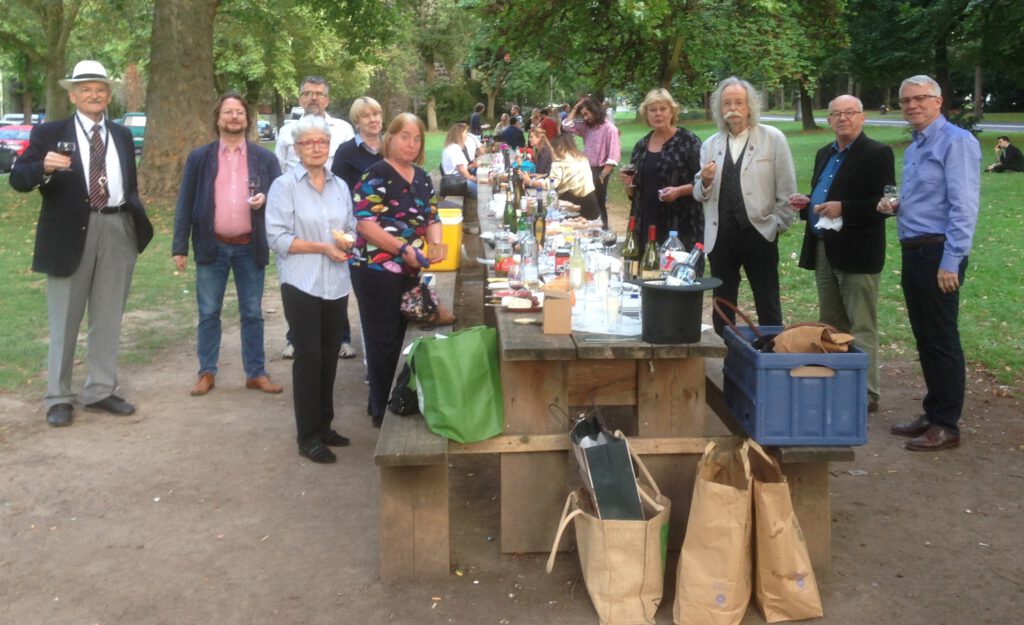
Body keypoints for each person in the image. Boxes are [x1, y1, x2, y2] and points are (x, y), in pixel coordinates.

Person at [9, 60, 154, 427]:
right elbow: (19, 179)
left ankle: (100, 390)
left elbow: (129, 184)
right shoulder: (49, 133)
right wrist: (43, 166)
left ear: (109, 96)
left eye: (101, 89)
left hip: (118, 227)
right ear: (73, 95)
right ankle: (59, 396)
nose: (94, 94)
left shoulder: (120, 135)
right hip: (69, 234)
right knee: (65, 320)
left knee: (108, 317)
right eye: (86, 89)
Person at [882, 75, 980, 451]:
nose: (913, 105)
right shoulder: (917, 146)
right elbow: (926, 200)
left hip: (940, 254)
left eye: (921, 98)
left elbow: (963, 207)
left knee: (941, 338)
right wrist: (895, 207)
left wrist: (951, 261)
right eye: (907, 100)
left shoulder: (957, 143)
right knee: (925, 337)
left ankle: (947, 425)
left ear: (939, 102)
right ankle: (933, 410)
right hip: (915, 250)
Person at [172, 93, 284, 397]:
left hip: (250, 246)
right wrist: (179, 246)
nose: (234, 117)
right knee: (209, 312)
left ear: (247, 120)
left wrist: (267, 199)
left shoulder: (265, 159)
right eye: (228, 112)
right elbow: (185, 203)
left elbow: (285, 199)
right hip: (212, 246)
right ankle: (206, 372)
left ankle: (256, 373)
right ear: (218, 119)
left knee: (252, 313)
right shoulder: (200, 158)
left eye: (239, 113)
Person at [791, 95, 894, 413]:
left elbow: (885, 204)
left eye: (850, 113)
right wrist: (807, 203)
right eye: (836, 114)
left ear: (862, 117)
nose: (843, 119)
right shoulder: (825, 153)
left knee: (861, 324)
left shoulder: (877, 153)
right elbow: (827, 195)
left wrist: (844, 209)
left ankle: (866, 393)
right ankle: (837, 382)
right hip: (825, 247)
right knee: (831, 324)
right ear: (829, 120)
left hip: (858, 252)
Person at [266, 116, 357, 464]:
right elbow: (276, 237)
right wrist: (323, 247)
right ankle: (307, 436)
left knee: (329, 353)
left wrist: (348, 241)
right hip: (301, 281)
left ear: (329, 146)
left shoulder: (339, 186)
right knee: (308, 356)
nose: (316, 148)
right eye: (308, 143)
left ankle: (325, 425)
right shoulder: (284, 186)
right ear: (296, 148)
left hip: (334, 282)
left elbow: (349, 225)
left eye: (322, 142)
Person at [350, 113, 447, 428]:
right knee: (384, 339)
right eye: (404, 136)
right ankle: (380, 411)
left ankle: (388, 399)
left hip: (409, 268)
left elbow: (432, 216)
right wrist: (404, 249)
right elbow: (365, 224)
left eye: (416, 138)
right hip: (375, 269)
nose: (411, 143)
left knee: (402, 332)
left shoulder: (420, 176)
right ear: (389, 138)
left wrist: (436, 243)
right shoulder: (374, 175)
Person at [694, 76, 796, 336]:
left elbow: (787, 188)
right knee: (722, 301)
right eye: (727, 103)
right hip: (721, 235)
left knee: (767, 300)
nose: (733, 108)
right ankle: (725, 355)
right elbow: (699, 194)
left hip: (759, 232)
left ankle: (771, 356)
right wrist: (704, 182)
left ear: (750, 106)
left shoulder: (772, 138)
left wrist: (777, 225)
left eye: (739, 102)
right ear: (720, 108)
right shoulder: (710, 145)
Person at [276, 76, 356, 360]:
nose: (313, 98)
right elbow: (280, 169)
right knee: (299, 280)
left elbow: (348, 166)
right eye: (307, 93)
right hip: (299, 205)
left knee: (335, 280)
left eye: (319, 94)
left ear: (327, 99)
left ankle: (342, 338)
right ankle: (294, 338)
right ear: (299, 98)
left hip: (334, 199)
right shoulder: (287, 132)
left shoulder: (343, 129)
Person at [620, 88, 702, 254]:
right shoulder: (641, 146)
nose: (658, 114)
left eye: (663, 109)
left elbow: (705, 183)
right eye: (652, 110)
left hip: (679, 223)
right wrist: (628, 184)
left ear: (672, 112)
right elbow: (633, 193)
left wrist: (679, 191)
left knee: (675, 273)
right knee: (645, 272)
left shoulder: (688, 141)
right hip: (646, 221)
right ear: (647, 115)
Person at [562, 95, 621, 228]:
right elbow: (566, 125)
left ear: (595, 110)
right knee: (586, 202)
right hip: (586, 170)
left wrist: (602, 175)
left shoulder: (610, 129)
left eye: (586, 114)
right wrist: (577, 107)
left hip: (600, 171)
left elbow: (613, 155)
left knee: (598, 203)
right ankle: (588, 230)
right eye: (582, 115)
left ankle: (603, 231)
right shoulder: (587, 127)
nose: (585, 118)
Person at [522, 133, 600, 220]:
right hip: (591, 199)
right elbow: (569, 176)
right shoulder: (581, 158)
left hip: (573, 203)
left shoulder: (561, 161)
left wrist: (530, 182)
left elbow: (551, 184)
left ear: (558, 147)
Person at [332, 96, 384, 191]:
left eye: (375, 114)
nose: (372, 120)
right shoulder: (345, 152)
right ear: (357, 123)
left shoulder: (393, 148)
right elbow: (337, 191)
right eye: (365, 116)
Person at [441, 122, 479, 197]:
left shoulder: (450, 146)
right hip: (457, 181)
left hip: (454, 178)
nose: (467, 135)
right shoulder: (455, 148)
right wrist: (472, 178)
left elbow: (458, 167)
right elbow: (461, 170)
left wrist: (471, 166)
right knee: (482, 192)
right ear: (458, 135)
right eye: (465, 133)